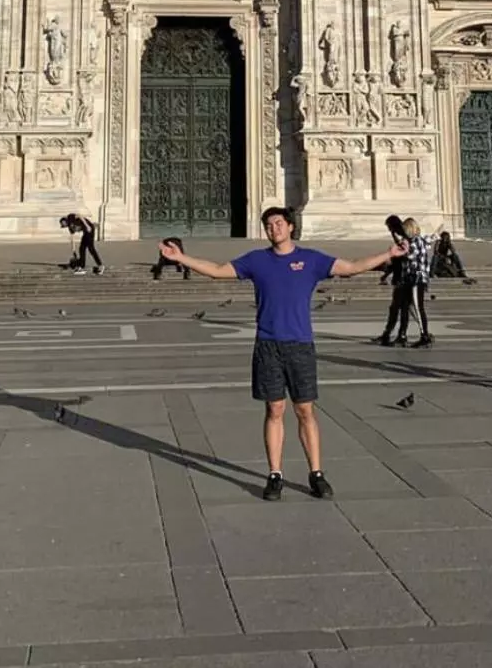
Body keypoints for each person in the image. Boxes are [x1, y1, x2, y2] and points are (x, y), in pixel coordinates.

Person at [162, 207, 406, 501]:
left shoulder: (311, 260)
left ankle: (316, 474)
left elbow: (352, 267)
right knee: (274, 410)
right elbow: (216, 271)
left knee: (306, 411)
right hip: (268, 345)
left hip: (300, 344)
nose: (273, 228)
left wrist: (388, 254)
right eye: (268, 224)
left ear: (291, 227)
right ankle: (275, 474)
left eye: (278, 223)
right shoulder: (257, 260)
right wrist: (180, 258)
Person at [378, 217, 432, 348]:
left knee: (418, 307)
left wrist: (399, 246)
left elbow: (409, 255)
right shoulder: (413, 241)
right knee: (405, 308)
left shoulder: (416, 241)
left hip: (416, 278)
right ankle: (402, 335)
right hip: (409, 278)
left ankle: (425, 336)